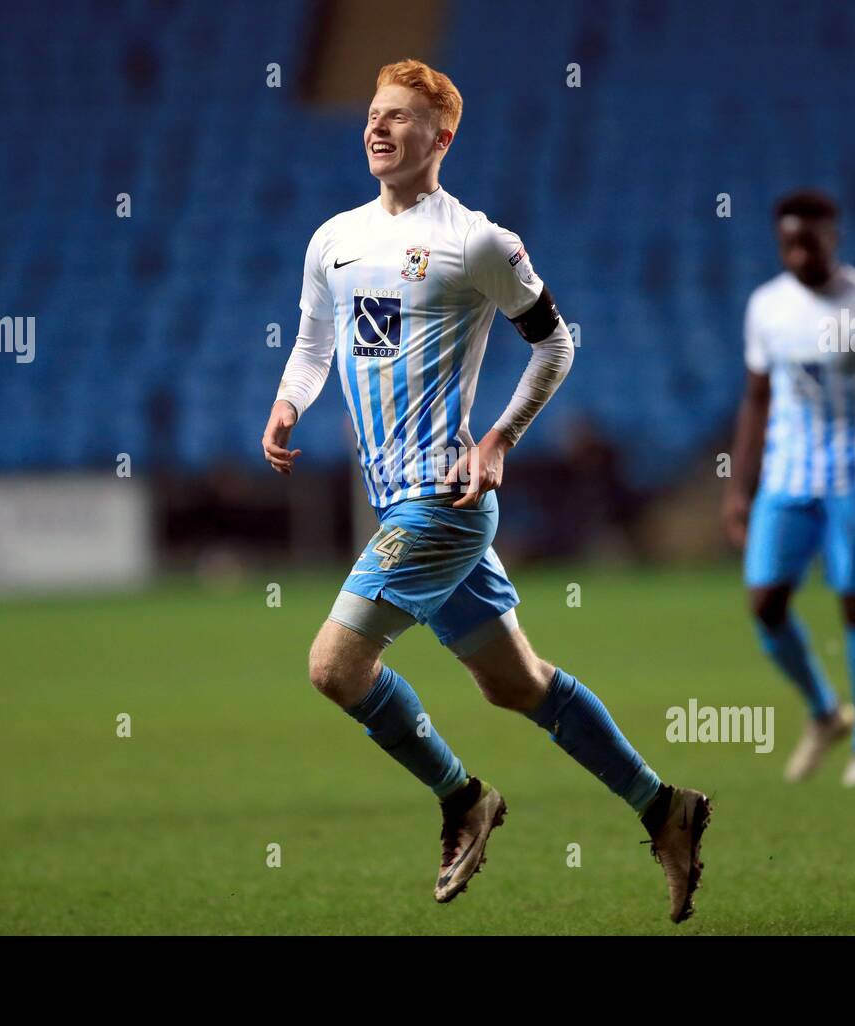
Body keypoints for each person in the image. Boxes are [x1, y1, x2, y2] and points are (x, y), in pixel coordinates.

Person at [261, 59, 711, 922]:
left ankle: (463, 797)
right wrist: (287, 402)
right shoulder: (334, 239)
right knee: (517, 685)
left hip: (443, 498)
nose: (379, 129)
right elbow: (315, 341)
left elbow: (555, 344)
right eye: (373, 113)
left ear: (443, 136)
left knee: (334, 665)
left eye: (400, 117)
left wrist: (501, 437)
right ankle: (666, 808)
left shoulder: (478, 243)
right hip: (402, 502)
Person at [723, 190, 855, 787]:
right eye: (787, 242)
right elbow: (756, 398)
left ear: (834, 238)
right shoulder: (765, 306)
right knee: (764, 603)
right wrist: (739, 486)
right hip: (787, 477)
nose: (798, 252)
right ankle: (825, 712)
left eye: (809, 241)